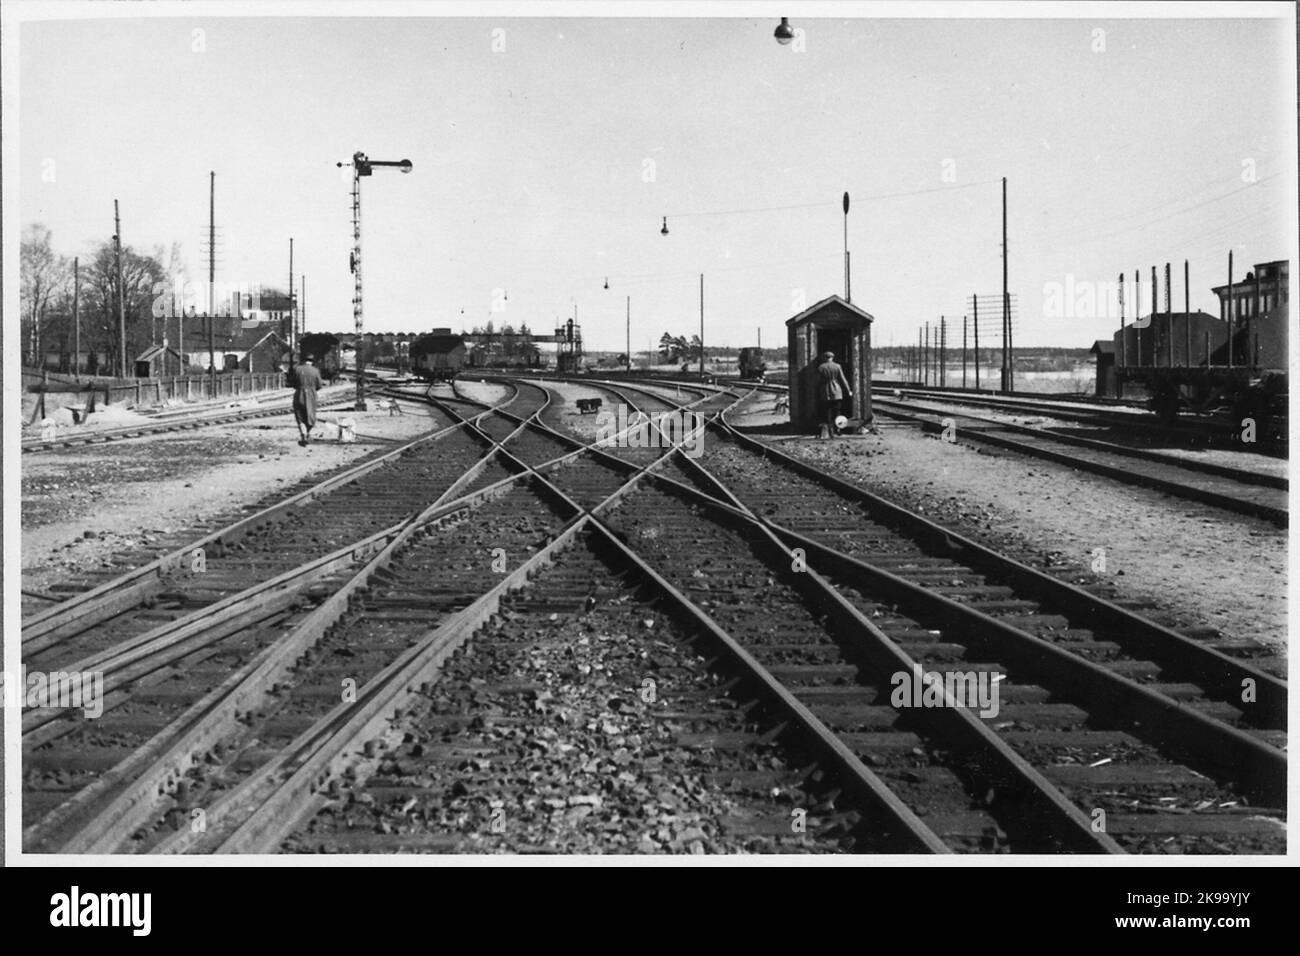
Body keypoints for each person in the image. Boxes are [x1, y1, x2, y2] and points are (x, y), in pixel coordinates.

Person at [815, 350, 852, 438]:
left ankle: (829, 430)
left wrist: (816, 390)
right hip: (837, 391)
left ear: (825, 358)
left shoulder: (821, 367)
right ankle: (838, 429)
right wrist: (848, 390)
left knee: (827, 411)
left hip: (825, 391)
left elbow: (817, 381)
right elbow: (843, 379)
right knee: (837, 411)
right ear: (832, 358)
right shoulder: (837, 366)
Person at [289, 354, 323, 446]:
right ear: (312, 362)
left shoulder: (297, 369)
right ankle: (308, 433)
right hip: (311, 395)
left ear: (303, 360)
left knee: (300, 416)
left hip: (299, 394)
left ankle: (303, 434)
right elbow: (319, 385)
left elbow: (293, 384)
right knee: (310, 415)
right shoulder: (315, 371)